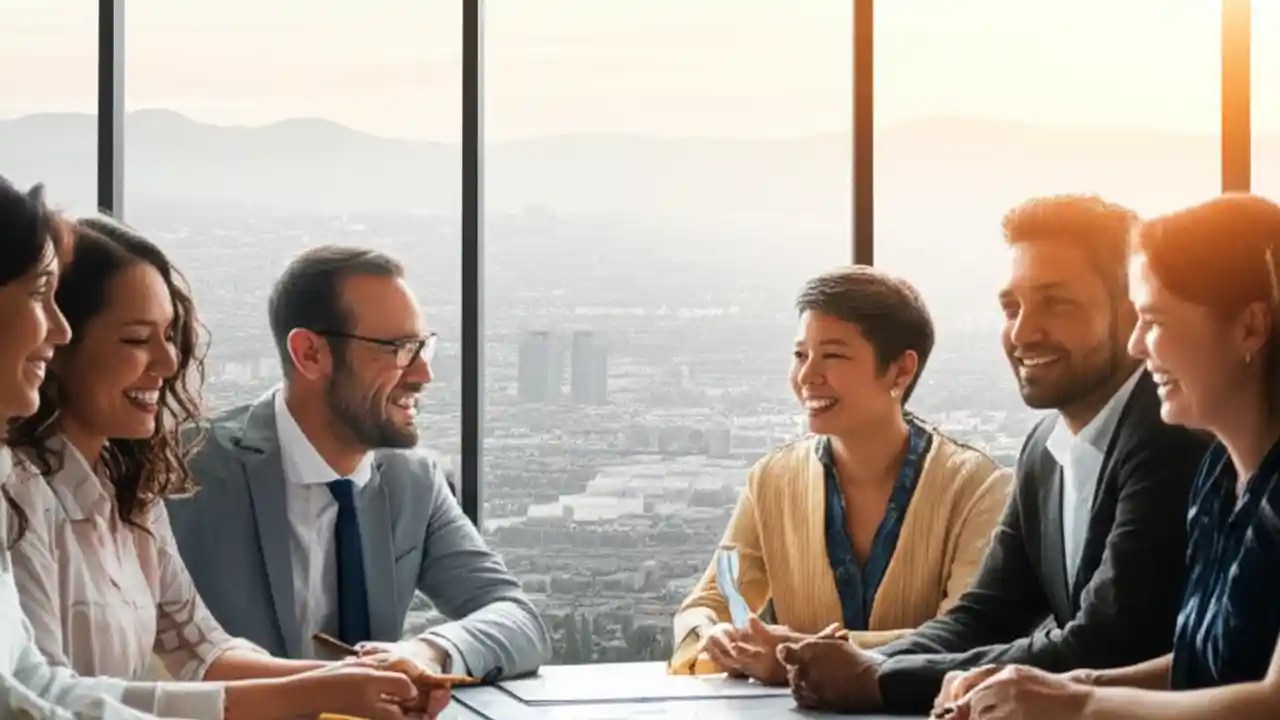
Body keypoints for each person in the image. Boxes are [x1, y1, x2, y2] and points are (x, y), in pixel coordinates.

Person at [774, 194, 1210, 714]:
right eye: (1012, 308)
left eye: (1057, 303)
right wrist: (850, 664)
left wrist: (882, 680)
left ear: (1130, 313)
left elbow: (1108, 642)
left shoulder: (1171, 437)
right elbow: (985, 614)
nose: (1024, 332)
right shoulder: (1044, 450)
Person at [4, 218, 443, 719]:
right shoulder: (18, 494)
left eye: (169, 335)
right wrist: (318, 692)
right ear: (60, 343)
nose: (168, 362)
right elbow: (40, 698)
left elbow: (202, 652)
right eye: (135, 340)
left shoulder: (128, 491)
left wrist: (363, 680)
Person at [940, 194, 1280, 719]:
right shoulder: (1217, 479)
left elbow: (1272, 700)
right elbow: (1209, 665)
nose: (1136, 347)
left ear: (1250, 328)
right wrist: (1060, 684)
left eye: (1155, 321)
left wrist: (1079, 702)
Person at [166, 245, 550, 681]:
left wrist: (430, 651)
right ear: (310, 354)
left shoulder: (413, 482)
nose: (423, 374)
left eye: (423, 347)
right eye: (399, 349)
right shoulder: (182, 470)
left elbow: (518, 619)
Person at [668, 266, 1012, 684]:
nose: (807, 376)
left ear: (900, 372)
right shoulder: (773, 480)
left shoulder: (976, 487)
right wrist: (712, 634)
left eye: (832, 355)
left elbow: (970, 639)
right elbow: (706, 603)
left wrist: (802, 653)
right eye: (800, 355)